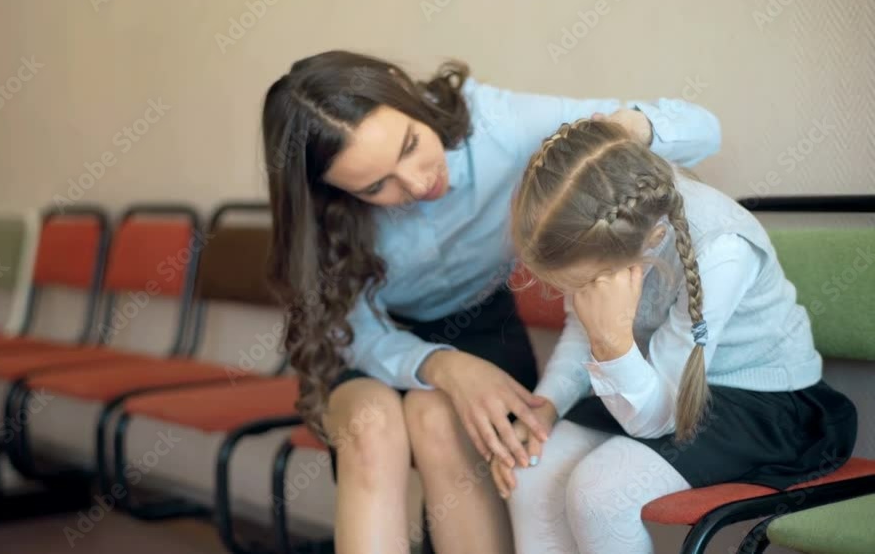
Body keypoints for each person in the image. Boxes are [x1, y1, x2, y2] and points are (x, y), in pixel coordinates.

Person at [262, 49, 721, 554]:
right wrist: (442, 366)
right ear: (330, 191)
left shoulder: (497, 123)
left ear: (402, 88)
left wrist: (627, 128)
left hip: (483, 329)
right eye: (375, 186)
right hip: (370, 346)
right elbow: (354, 332)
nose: (416, 183)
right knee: (371, 428)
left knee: (437, 420)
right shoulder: (324, 217)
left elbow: (704, 131)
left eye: (411, 145)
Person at [496, 118, 858, 553]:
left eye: (587, 282)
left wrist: (613, 345)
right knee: (530, 469)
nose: (575, 296)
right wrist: (547, 406)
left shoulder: (720, 248)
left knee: (602, 494)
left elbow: (660, 414)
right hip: (652, 378)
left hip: (764, 404)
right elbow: (583, 326)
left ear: (654, 240)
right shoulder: (602, 221)